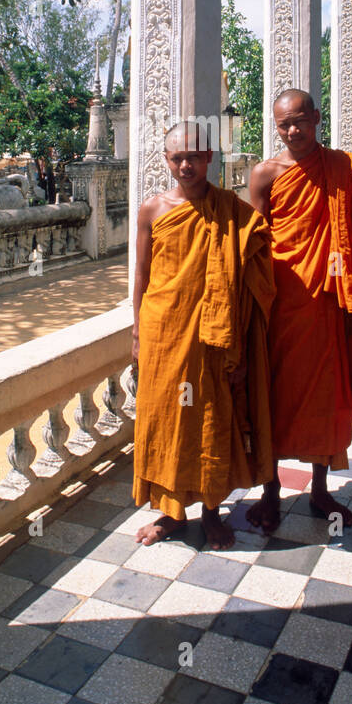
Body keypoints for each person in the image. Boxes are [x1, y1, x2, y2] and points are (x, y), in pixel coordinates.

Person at [132, 120, 275, 550]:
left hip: (213, 335)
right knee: (166, 422)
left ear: (209, 156)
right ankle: (171, 512)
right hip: (165, 333)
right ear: (166, 160)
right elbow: (140, 275)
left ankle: (211, 511)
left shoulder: (232, 210)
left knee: (211, 418)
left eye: (194, 156)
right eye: (177, 158)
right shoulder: (152, 210)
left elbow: (259, 256)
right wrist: (138, 331)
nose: (186, 165)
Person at [246, 90, 352, 535]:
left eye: (300, 121)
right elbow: (252, 245)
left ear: (317, 118)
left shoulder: (343, 168)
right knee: (275, 397)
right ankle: (270, 491)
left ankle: (320, 489)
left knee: (325, 397)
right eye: (284, 125)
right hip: (281, 305)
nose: (293, 131)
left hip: (328, 304)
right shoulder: (264, 175)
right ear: (275, 126)